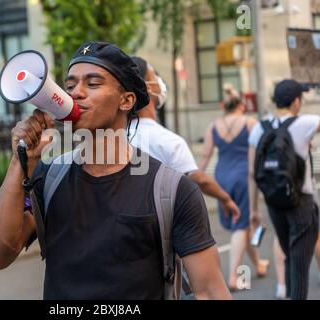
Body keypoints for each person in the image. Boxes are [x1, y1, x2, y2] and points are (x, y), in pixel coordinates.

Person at [0, 41, 232, 300]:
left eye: (92, 83)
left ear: (126, 100)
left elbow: (210, 292)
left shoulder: (172, 190)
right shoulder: (49, 177)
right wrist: (20, 164)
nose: (75, 93)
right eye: (70, 85)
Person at [128, 56, 240, 225]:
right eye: (154, 76)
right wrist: (226, 198)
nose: (160, 81)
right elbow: (197, 178)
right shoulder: (168, 141)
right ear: (147, 88)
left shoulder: (114, 137)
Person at [248, 79, 320, 300]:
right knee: (299, 267)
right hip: (301, 203)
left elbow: (251, 173)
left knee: (290, 257)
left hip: (273, 202)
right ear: (297, 102)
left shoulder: (259, 128)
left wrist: (253, 209)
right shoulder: (305, 123)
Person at [199, 83, 269, 291]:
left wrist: (194, 178)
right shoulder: (250, 123)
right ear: (241, 106)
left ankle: (257, 264)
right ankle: (232, 277)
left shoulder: (214, 126)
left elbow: (204, 158)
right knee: (242, 224)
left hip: (221, 177)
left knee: (241, 222)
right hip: (243, 177)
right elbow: (259, 153)